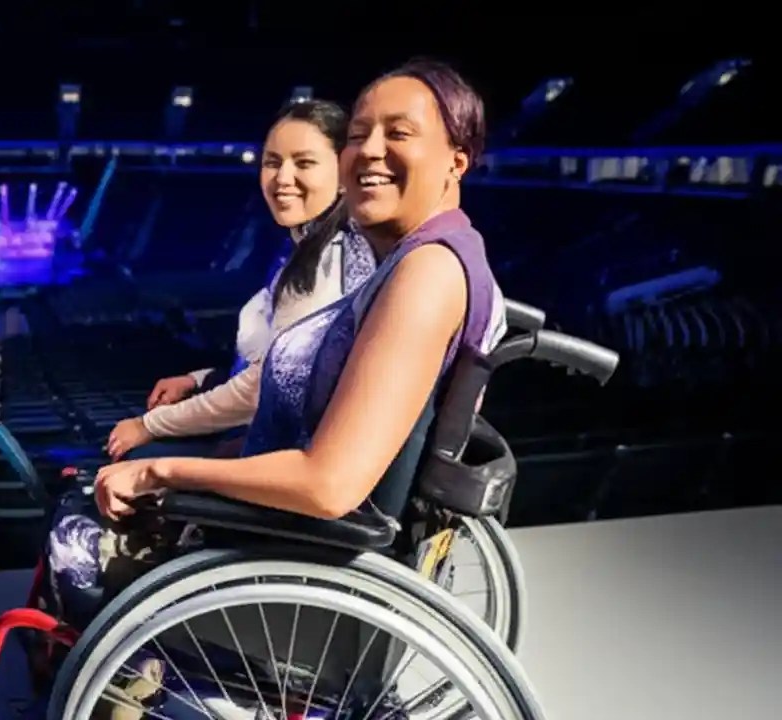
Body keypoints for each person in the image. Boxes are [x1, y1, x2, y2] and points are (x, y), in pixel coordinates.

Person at [30, 59, 506, 717]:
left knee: (75, 534)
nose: (368, 149)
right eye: (359, 133)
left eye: (398, 133)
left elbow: (328, 484)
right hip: (313, 542)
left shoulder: (422, 275)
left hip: (298, 562)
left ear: (457, 157)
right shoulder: (436, 254)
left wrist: (160, 470)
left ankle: (123, 681)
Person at [106, 99, 378, 462]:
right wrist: (200, 379)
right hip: (272, 442)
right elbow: (273, 365)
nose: (282, 178)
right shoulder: (315, 248)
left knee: (122, 466)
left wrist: (149, 425)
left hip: (283, 460)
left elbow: (264, 392)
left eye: (304, 162)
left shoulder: (328, 263)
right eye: (272, 162)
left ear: (345, 175)